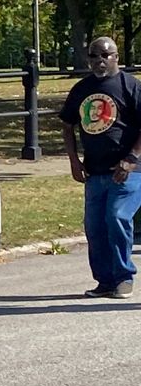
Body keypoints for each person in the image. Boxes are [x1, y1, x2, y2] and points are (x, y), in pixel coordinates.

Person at [60, 36, 141, 299]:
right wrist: (74, 161)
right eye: (94, 56)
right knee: (95, 227)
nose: (99, 61)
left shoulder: (130, 86)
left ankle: (124, 278)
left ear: (116, 57)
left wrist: (131, 158)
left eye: (105, 55)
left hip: (128, 170)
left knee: (117, 217)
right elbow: (67, 125)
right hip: (95, 171)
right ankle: (105, 281)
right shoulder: (82, 89)